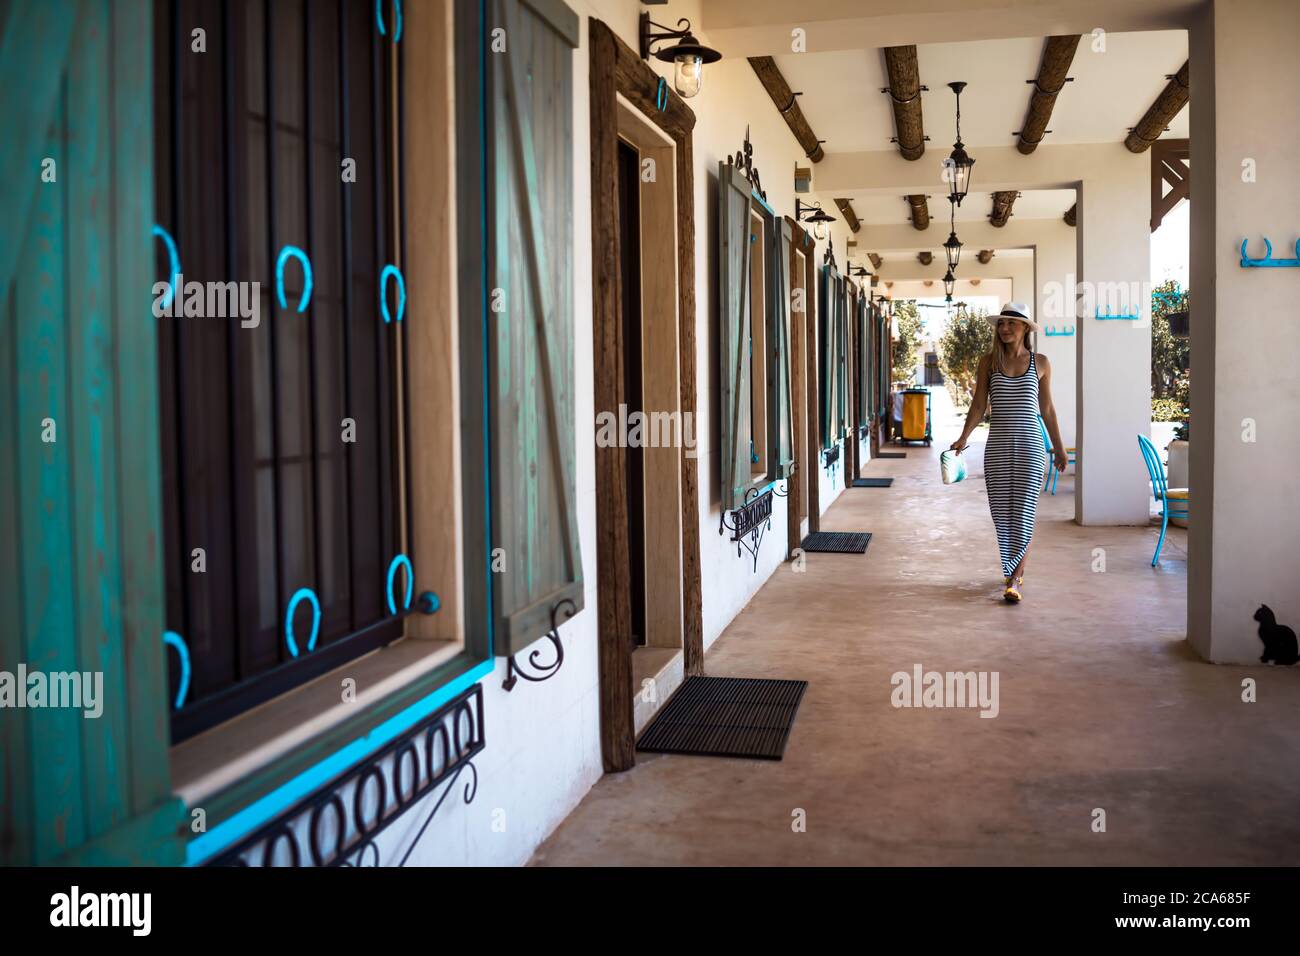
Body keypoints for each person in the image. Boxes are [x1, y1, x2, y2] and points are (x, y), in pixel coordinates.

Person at [949, 303, 1067, 602]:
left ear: (1025, 327)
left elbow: (1048, 409)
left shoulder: (1040, 362)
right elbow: (978, 405)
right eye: (1001, 324)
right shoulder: (988, 362)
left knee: (1025, 512)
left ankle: (1015, 578)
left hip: (1031, 447)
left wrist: (1059, 448)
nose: (1004, 329)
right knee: (1003, 512)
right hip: (998, 447)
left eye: (1011, 324)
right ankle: (1012, 567)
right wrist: (963, 437)